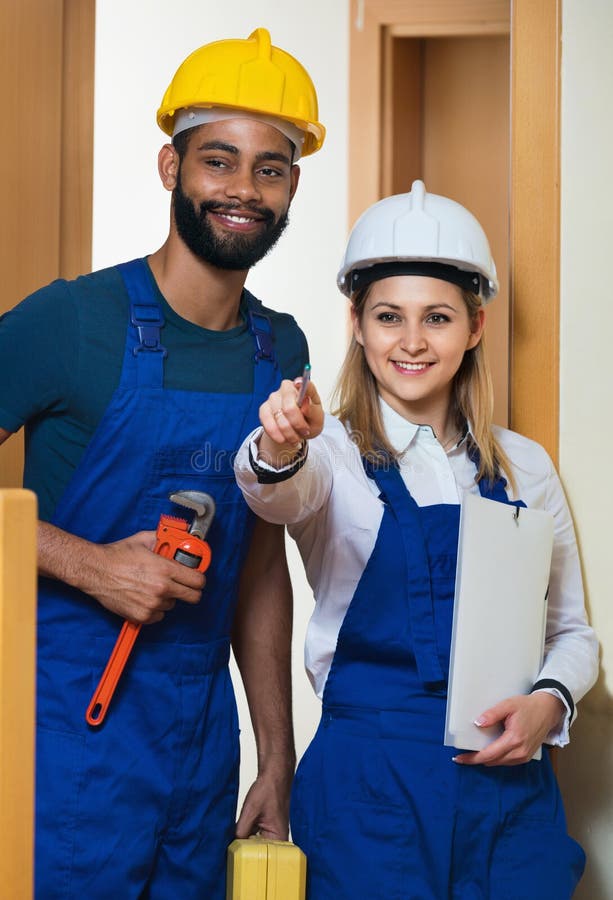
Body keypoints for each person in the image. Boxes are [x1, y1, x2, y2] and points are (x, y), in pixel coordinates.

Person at [0, 27, 325, 899]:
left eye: (269, 168)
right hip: (62, 727)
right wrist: (89, 564)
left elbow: (261, 566)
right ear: (169, 167)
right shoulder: (70, 323)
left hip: (197, 740)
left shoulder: (280, 348)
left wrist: (276, 752)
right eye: (219, 160)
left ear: (293, 185)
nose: (243, 190)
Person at [234, 180, 599, 899]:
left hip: (507, 790)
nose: (409, 341)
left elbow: (571, 630)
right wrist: (280, 441)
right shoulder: (328, 452)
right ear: (357, 325)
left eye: (435, 317)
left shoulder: (523, 465)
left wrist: (549, 702)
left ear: (474, 327)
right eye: (386, 316)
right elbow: (271, 489)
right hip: (369, 794)